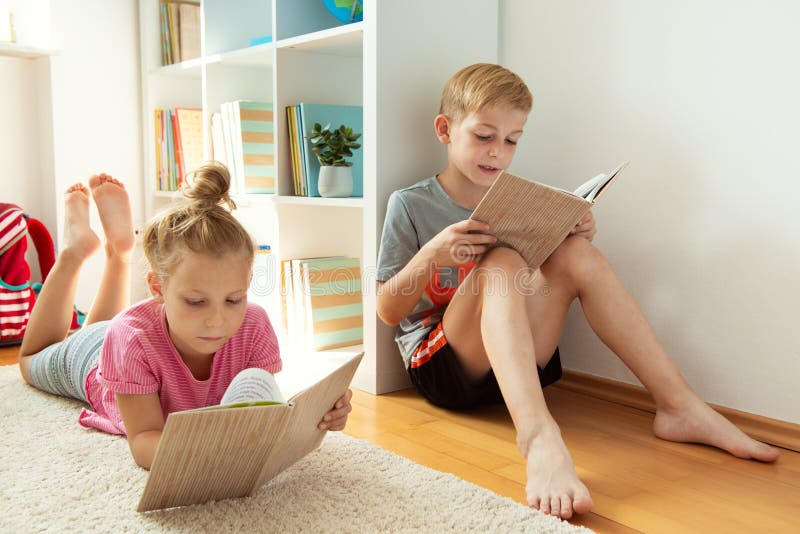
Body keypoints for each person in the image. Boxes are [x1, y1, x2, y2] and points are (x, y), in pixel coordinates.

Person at [375, 63, 779, 520]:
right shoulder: (410, 203)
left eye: (512, 140)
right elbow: (388, 311)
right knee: (502, 261)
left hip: (516, 361)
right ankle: (538, 438)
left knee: (577, 255)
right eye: (484, 136)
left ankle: (679, 407)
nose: (498, 153)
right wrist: (434, 252)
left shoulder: (514, 195)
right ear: (445, 130)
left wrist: (572, 230)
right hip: (442, 366)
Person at [18, 163, 352, 470]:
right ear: (157, 288)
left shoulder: (253, 325)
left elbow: (260, 412)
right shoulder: (129, 338)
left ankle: (119, 250)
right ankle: (75, 252)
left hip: (123, 339)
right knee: (30, 360)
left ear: (247, 286)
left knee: (105, 327)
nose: (217, 320)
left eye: (234, 299)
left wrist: (319, 414)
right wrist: (209, 459)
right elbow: (145, 439)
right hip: (93, 358)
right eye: (196, 302)